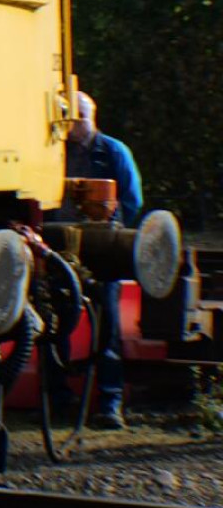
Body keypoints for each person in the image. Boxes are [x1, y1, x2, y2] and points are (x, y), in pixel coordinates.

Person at [59, 91, 145, 429]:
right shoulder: (56, 154)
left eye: (79, 118)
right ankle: (58, 395)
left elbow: (132, 201)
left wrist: (109, 233)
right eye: (70, 118)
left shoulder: (113, 151)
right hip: (61, 251)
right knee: (54, 326)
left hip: (101, 253)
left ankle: (110, 403)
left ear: (90, 117)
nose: (75, 125)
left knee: (107, 328)